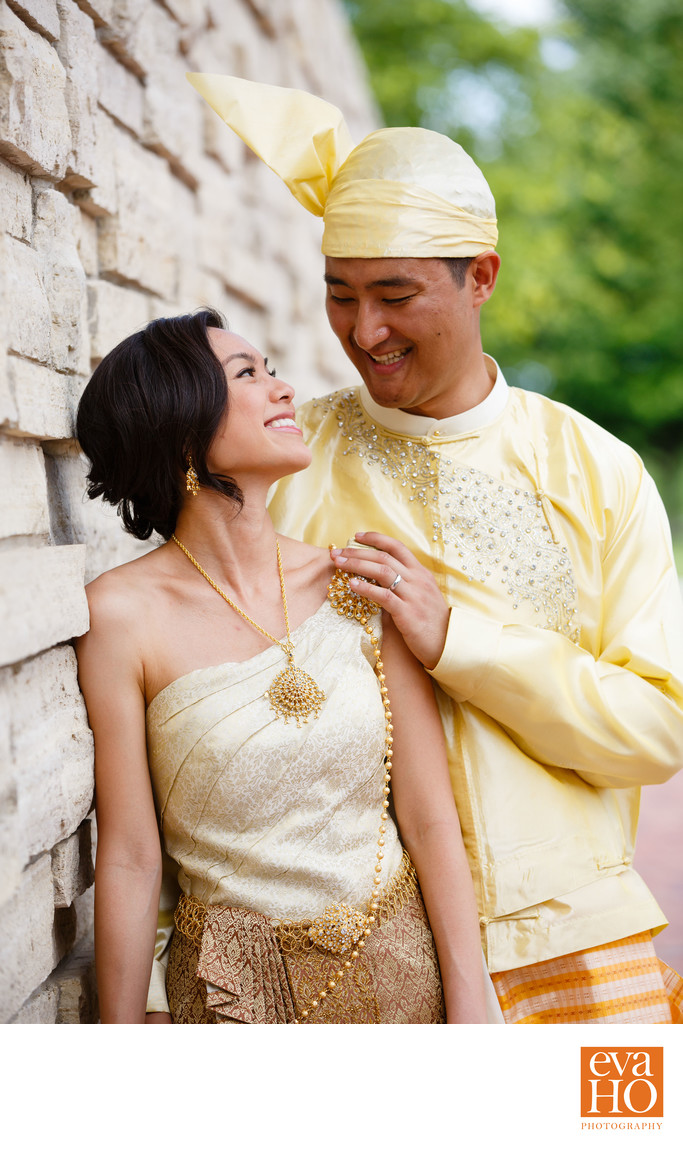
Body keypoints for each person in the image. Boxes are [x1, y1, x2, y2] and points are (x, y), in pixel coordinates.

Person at [187, 74, 683, 1023]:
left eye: (396, 295)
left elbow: (654, 727)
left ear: (481, 276)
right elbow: (215, 725)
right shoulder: (286, 464)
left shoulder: (595, 470)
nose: (363, 332)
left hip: (573, 936)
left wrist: (458, 642)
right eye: (339, 296)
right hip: (354, 958)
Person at [74, 307, 500, 1024]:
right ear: (181, 422)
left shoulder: (359, 582)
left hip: (404, 984)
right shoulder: (120, 616)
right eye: (248, 374)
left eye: (271, 369)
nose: (283, 389)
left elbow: (427, 814)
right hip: (232, 1002)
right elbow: (130, 855)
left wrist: (469, 1001)